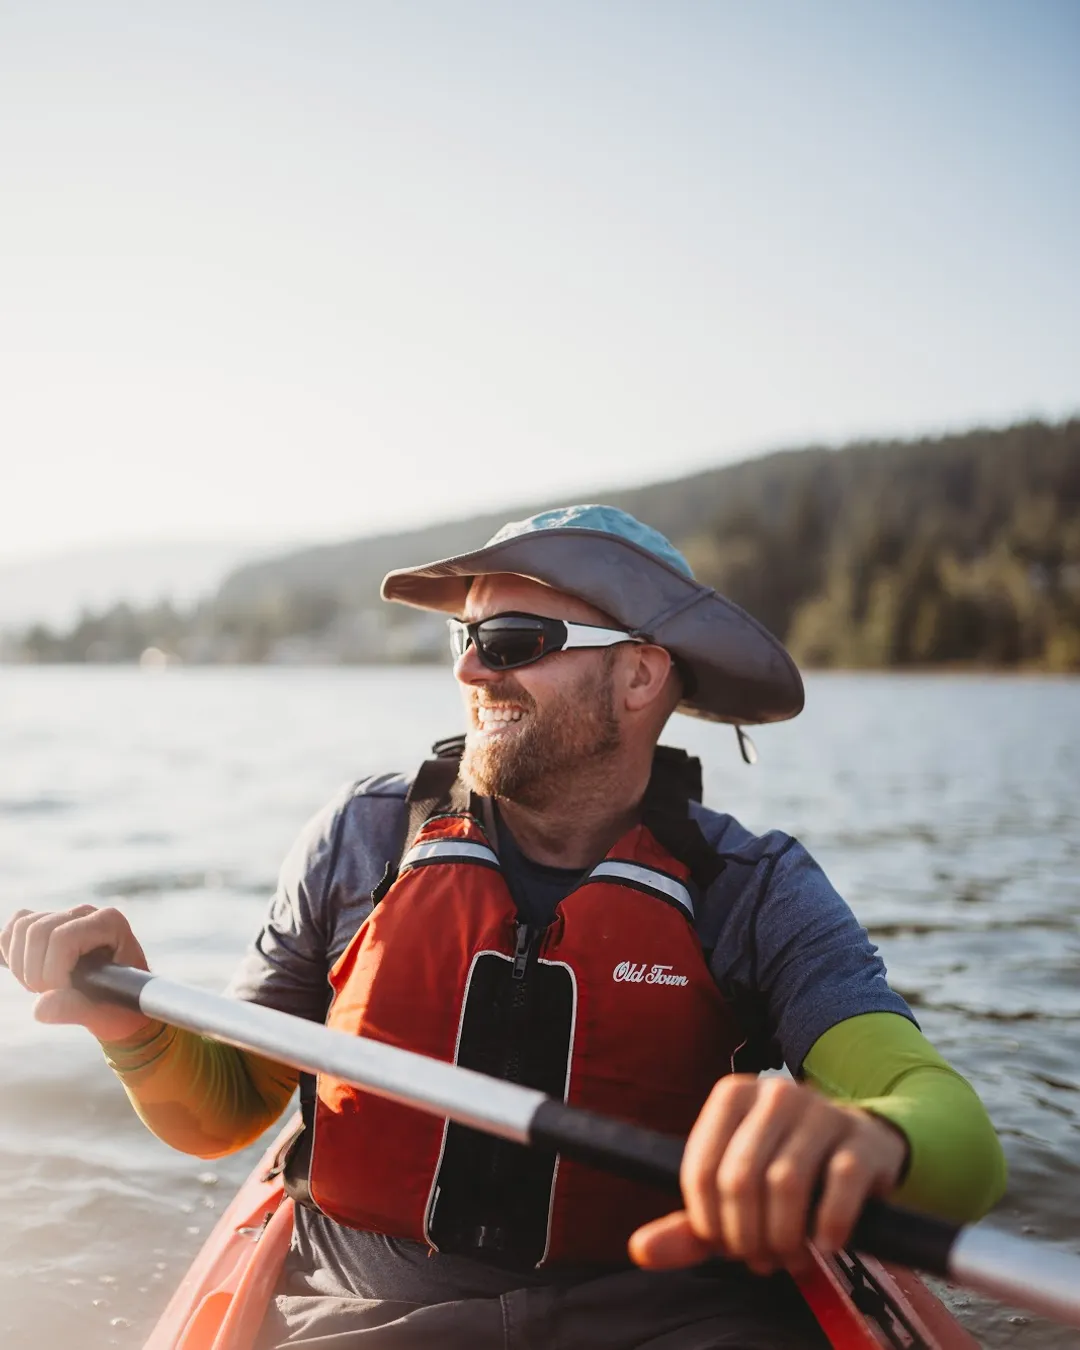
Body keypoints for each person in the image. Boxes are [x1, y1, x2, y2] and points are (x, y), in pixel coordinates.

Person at [2, 506, 1006, 1349]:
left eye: (513, 644)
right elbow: (221, 1113)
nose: (472, 674)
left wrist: (866, 1139)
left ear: (641, 677)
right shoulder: (359, 842)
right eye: (465, 643)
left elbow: (954, 1134)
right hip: (370, 1313)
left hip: (665, 1320)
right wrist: (128, 1023)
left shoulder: (753, 887)